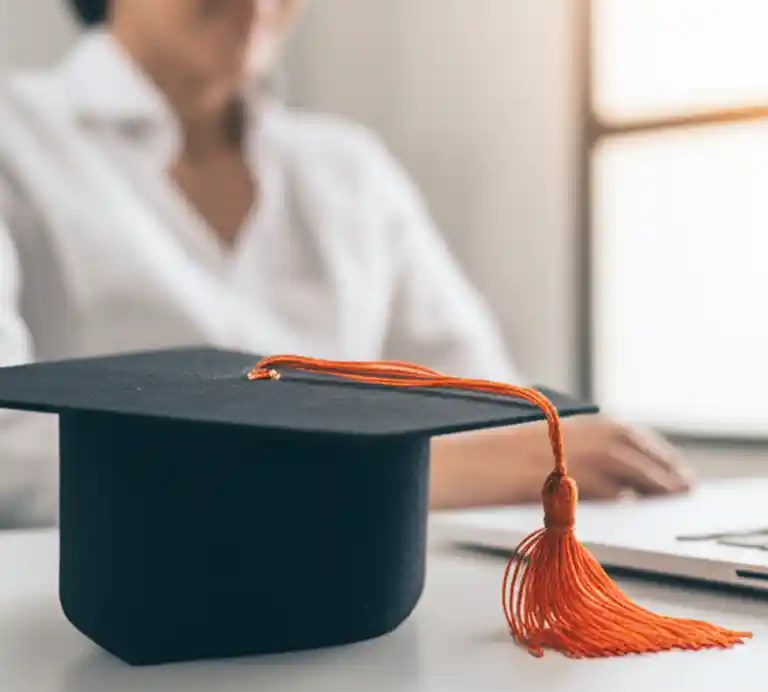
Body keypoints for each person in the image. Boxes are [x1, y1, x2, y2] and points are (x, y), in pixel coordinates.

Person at [0, 0, 691, 528]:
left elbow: (492, 412)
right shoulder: (16, 139)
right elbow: (11, 456)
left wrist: (550, 457)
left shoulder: (349, 169)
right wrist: (413, 473)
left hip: (382, 604)